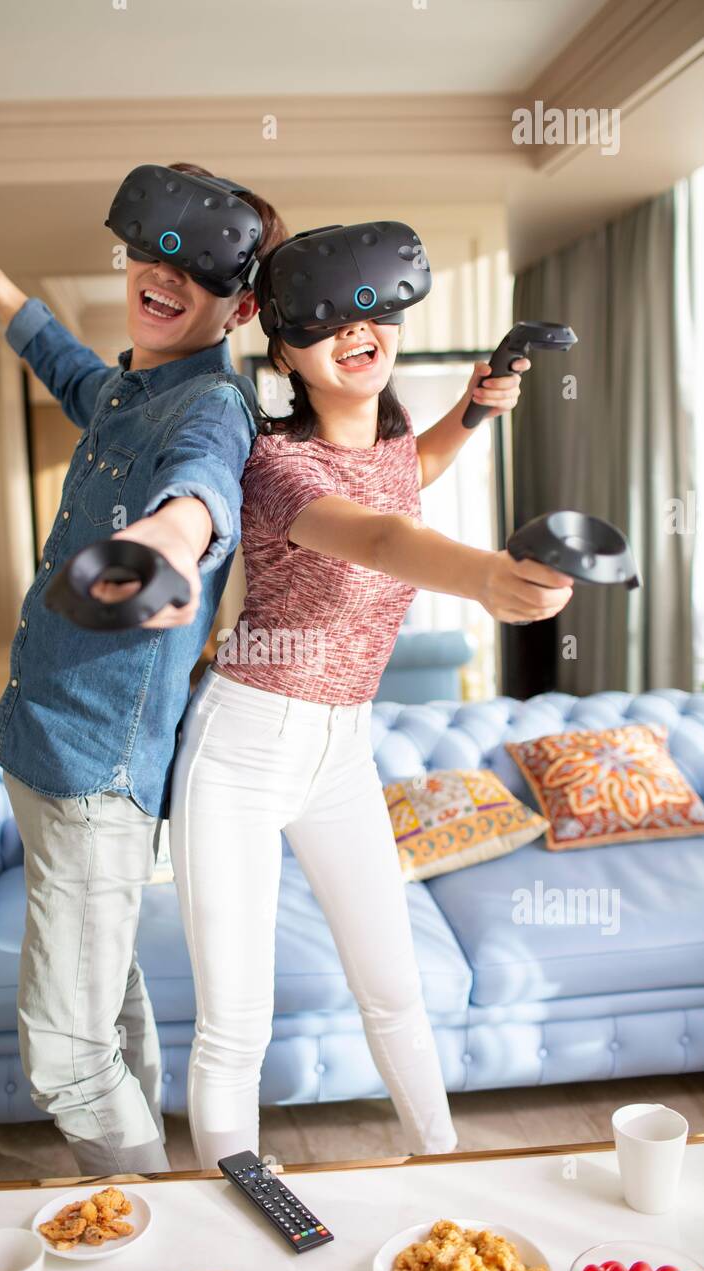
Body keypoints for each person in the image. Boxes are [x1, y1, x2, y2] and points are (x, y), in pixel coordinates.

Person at [168, 224, 574, 1169]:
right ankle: (234, 1213)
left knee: (393, 987)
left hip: (343, 748)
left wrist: (475, 409)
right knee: (237, 1021)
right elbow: (381, 540)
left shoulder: (390, 441)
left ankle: (444, 1168)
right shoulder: (274, 468)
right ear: (285, 348)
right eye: (329, 323)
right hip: (243, 746)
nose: (358, 334)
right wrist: (484, 575)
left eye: (372, 314)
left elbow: (408, 473)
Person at [0, 163, 287, 1176]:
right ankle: (147, 1179)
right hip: (41, 738)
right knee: (105, 992)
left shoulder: (210, 406)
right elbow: (64, 362)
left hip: (94, 767)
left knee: (68, 1060)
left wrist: (171, 540)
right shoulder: (131, 387)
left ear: (241, 302)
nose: (163, 280)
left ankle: (147, 1221)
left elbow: (201, 486)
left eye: (199, 272)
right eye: (148, 254)